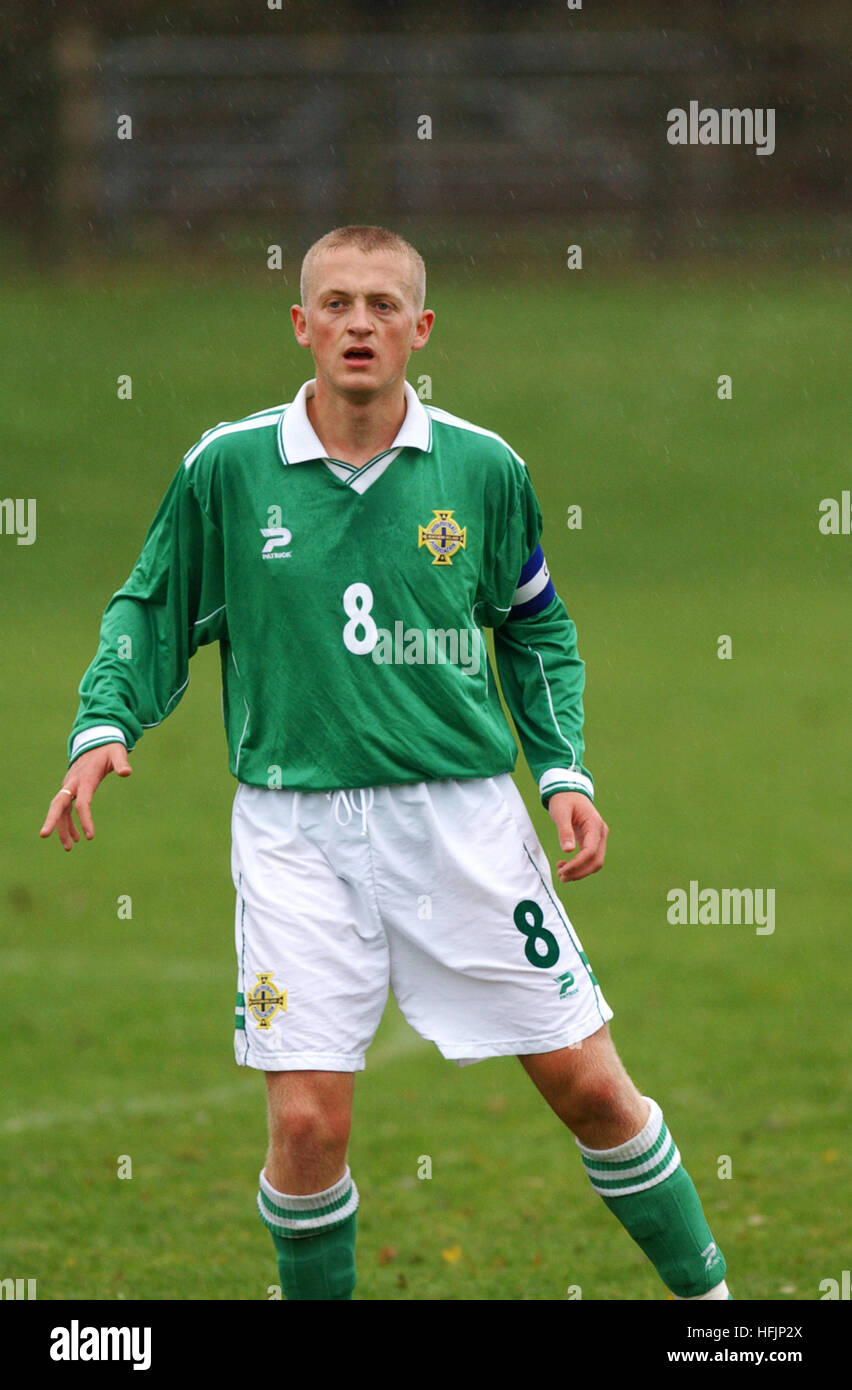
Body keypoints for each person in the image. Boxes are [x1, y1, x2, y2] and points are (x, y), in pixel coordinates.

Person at [40, 224, 729, 1302]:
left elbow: (536, 628)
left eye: (382, 304)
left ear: (420, 327)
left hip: (462, 825)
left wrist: (564, 773)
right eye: (339, 303)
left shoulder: (483, 468)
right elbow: (152, 604)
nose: (360, 322)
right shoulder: (230, 468)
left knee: (592, 1089)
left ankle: (719, 1315)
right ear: (302, 325)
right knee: (308, 1122)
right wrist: (104, 724)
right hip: (293, 833)